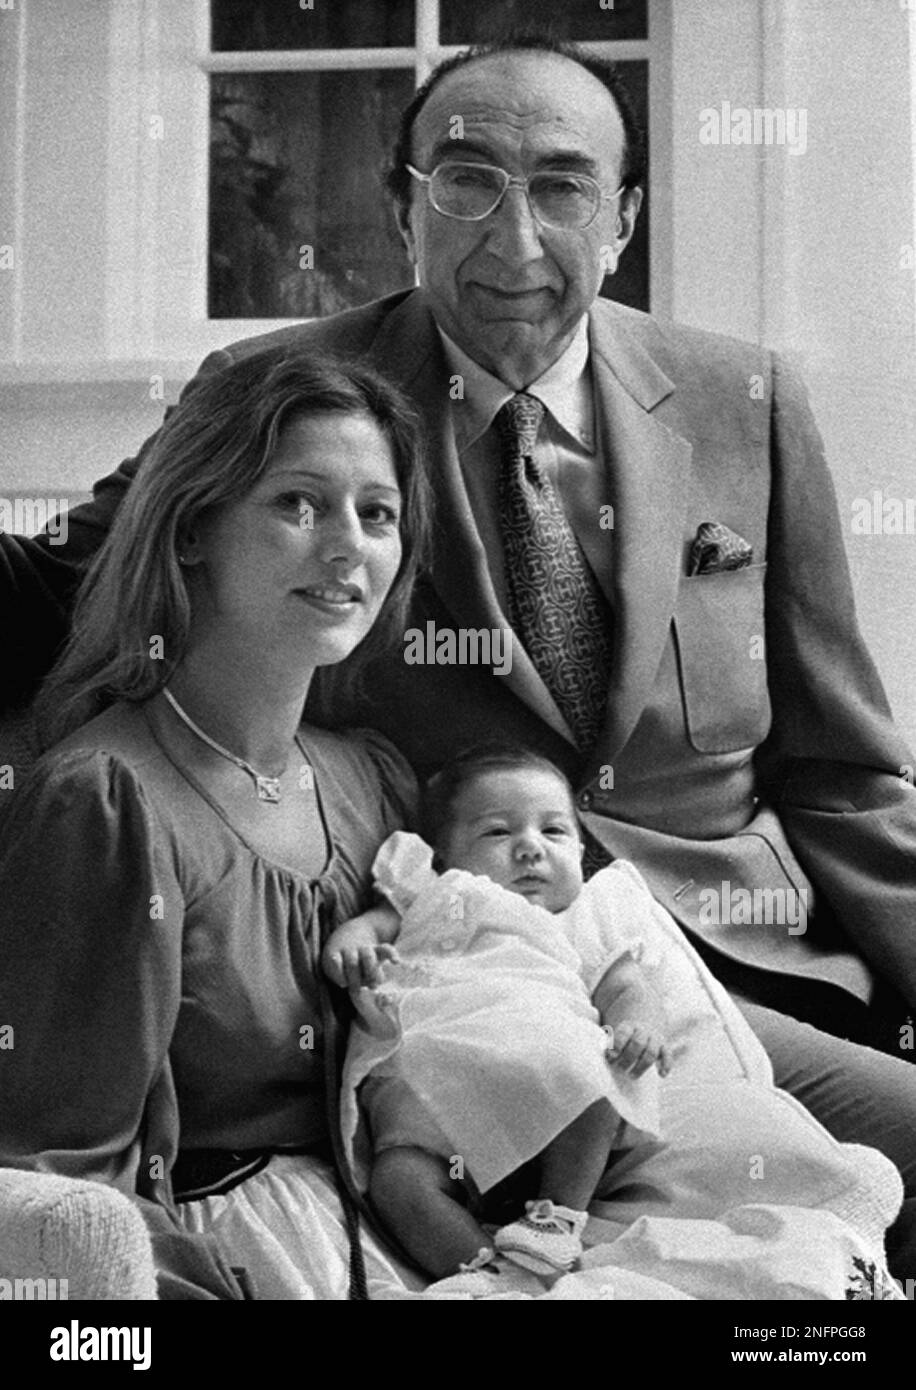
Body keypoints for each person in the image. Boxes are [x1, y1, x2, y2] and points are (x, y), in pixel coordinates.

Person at [5, 32, 916, 1273]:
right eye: (466, 179)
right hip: (477, 999)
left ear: (623, 218)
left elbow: (845, 769)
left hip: (732, 973)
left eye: (560, 187)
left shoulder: (742, 397)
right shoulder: (295, 398)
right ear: (403, 205)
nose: (514, 238)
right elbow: (65, 581)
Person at [0, 345, 434, 1299]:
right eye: (299, 503)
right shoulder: (107, 805)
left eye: (379, 513)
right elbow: (62, 1193)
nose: (348, 546)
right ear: (193, 526)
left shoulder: (373, 782)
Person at [324, 745, 670, 1290]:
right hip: (439, 1098)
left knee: (599, 1080)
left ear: (581, 849)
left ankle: (554, 1222)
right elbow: (367, 928)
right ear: (443, 855)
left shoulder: (582, 917)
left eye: (554, 832)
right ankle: (489, 1273)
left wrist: (637, 1026)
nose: (530, 848)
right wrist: (353, 949)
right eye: (497, 833)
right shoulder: (431, 891)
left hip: (548, 1101)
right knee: (397, 1182)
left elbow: (628, 987)